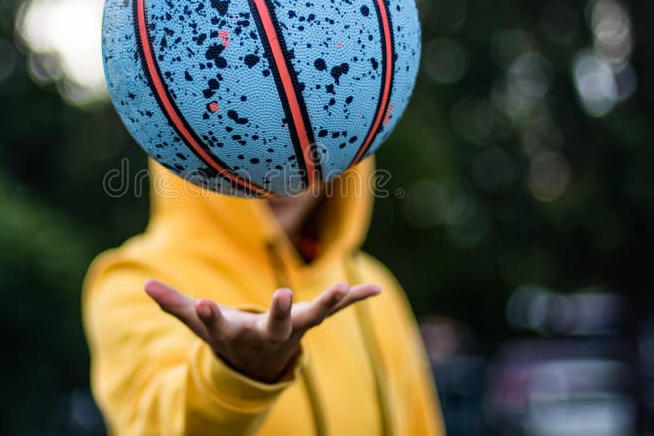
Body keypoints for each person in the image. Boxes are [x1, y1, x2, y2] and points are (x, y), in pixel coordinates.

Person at [82, 157, 444, 435]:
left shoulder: (373, 287)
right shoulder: (136, 278)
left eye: (307, 143)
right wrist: (234, 380)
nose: (279, 171)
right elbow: (157, 423)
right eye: (245, 135)